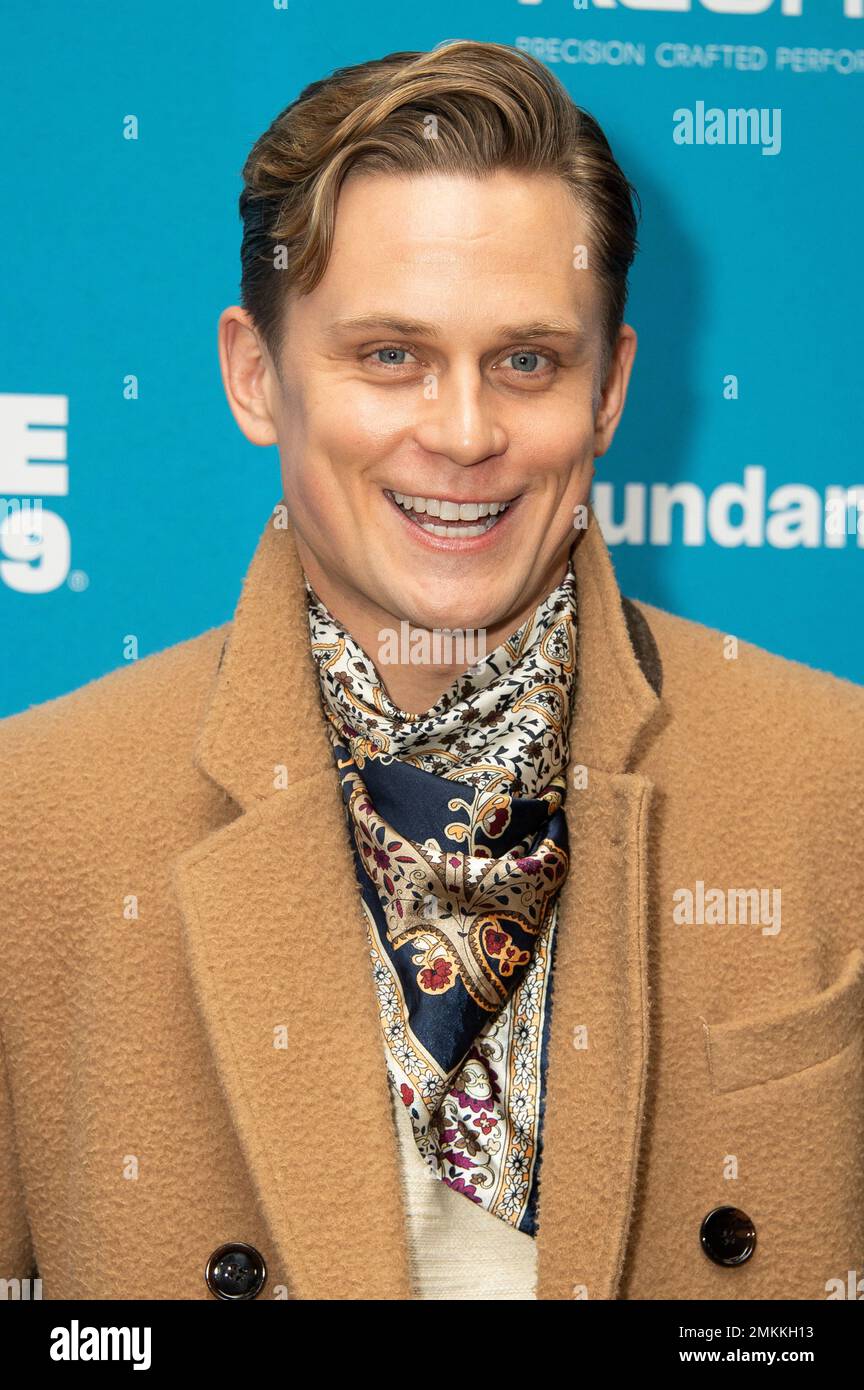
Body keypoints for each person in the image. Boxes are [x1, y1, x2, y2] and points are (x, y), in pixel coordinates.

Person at [1, 39, 862, 1303]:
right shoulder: (36, 817)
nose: (465, 434)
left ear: (612, 389)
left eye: (527, 361)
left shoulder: (835, 781)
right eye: (390, 355)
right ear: (255, 374)